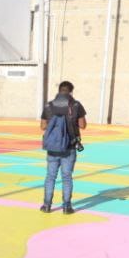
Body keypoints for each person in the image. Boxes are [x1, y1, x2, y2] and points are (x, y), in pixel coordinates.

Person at [39, 80, 88, 215]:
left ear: (59, 91)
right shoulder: (76, 105)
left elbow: (43, 126)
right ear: (71, 91)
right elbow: (83, 125)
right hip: (70, 146)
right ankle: (67, 207)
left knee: (50, 177)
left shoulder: (49, 106)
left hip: (53, 148)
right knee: (67, 177)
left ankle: (47, 205)